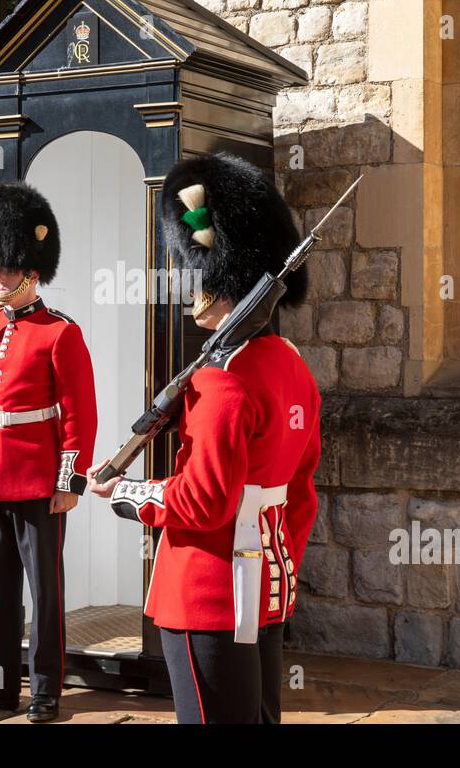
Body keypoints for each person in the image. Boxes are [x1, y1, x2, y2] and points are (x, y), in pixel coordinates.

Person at [89, 152, 322, 724]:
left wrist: (124, 494)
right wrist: (276, 573)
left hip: (205, 589)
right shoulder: (290, 365)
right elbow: (301, 493)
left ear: (221, 281)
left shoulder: (226, 380)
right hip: (265, 586)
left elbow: (203, 500)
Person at [0, 182, 97, 723]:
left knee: (45, 596)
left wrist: (68, 482)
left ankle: (46, 691)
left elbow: (79, 417)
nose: (0, 278)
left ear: (31, 271)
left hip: (37, 483)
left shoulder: (60, 334)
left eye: (9, 269)